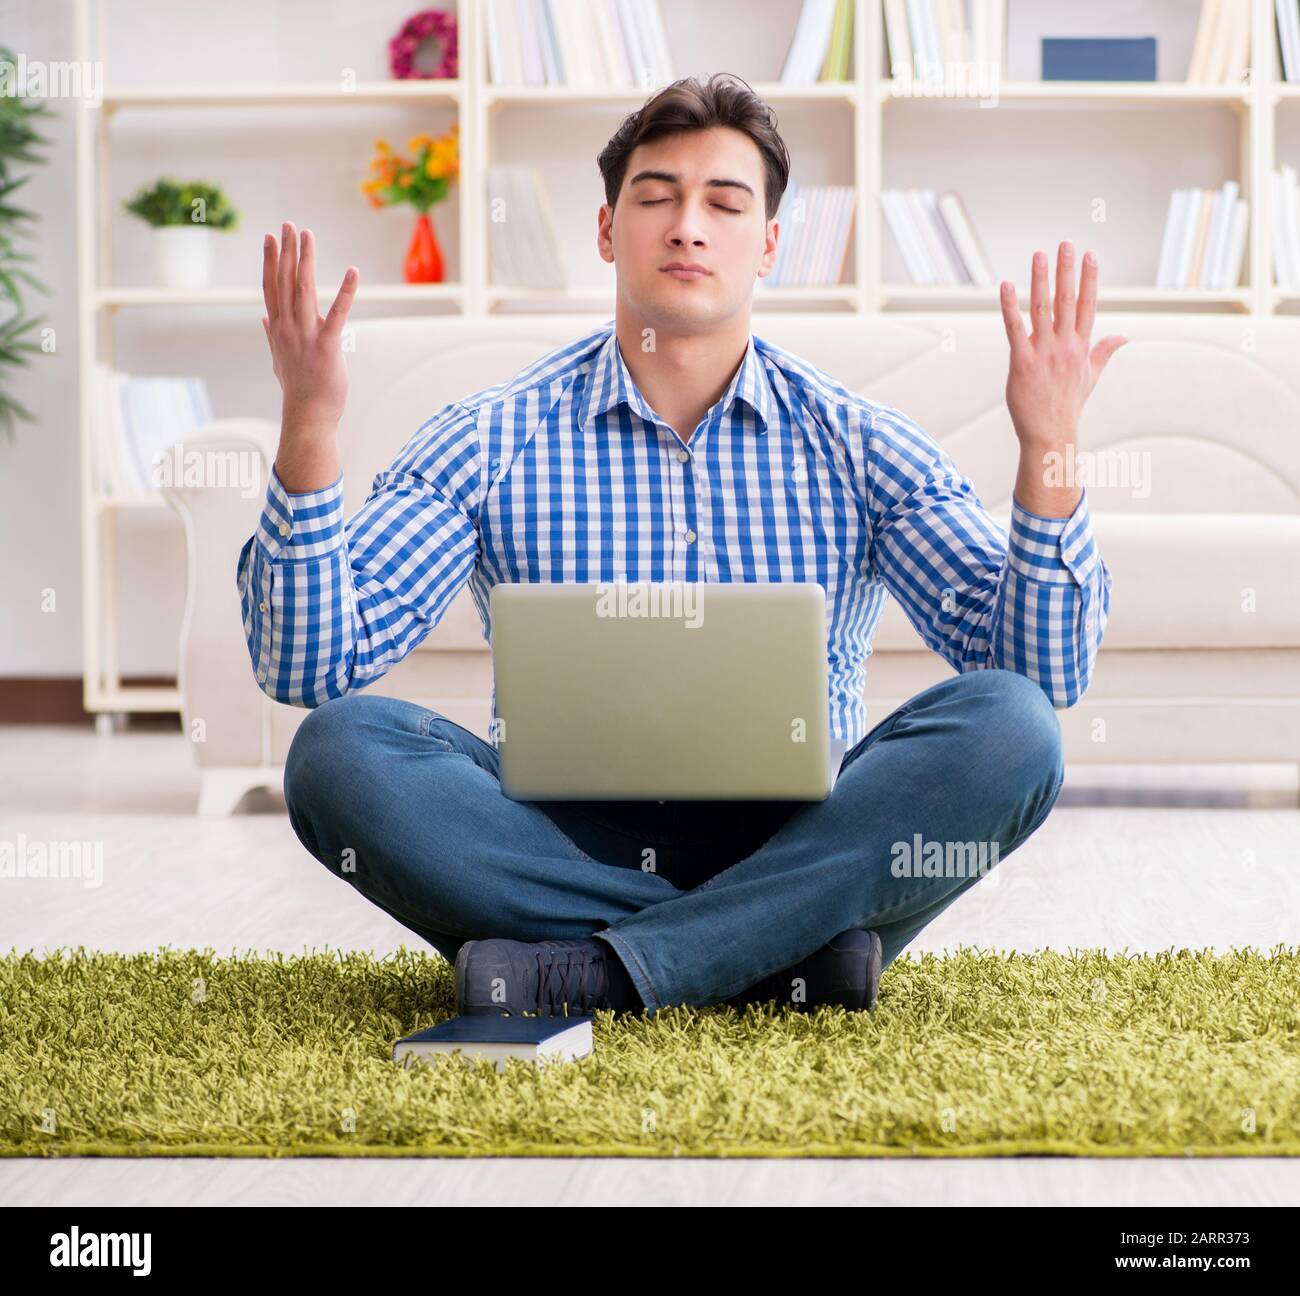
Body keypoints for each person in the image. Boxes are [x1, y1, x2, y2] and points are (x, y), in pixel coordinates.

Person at [238, 73, 1118, 1021]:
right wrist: (310, 427)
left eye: (723, 203)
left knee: (1012, 728)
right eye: (655, 198)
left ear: (770, 244)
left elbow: (1041, 673)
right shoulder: (489, 438)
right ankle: (774, 960)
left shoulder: (862, 442)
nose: (687, 226)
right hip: (550, 848)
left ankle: (596, 970)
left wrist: (1048, 448)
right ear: (609, 230)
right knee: (338, 753)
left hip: (804, 838)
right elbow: (309, 666)